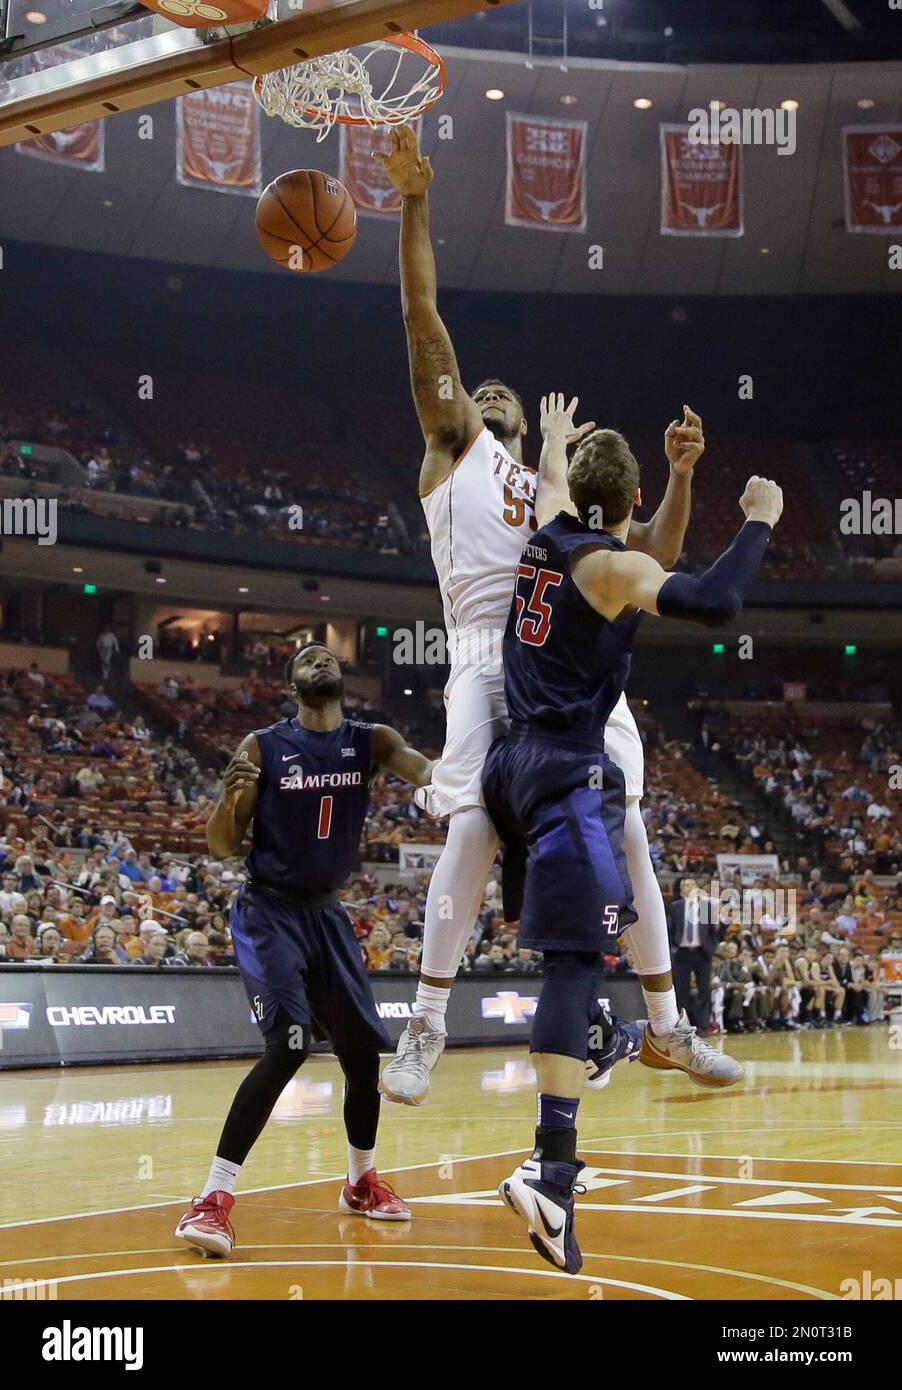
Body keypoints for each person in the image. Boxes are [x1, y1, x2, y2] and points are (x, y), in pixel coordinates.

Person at [375, 125, 739, 1106]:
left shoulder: (561, 502)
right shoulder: (452, 445)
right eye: (478, 387)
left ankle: (666, 1028)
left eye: (501, 390)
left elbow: (648, 562)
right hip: (487, 657)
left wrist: (675, 475)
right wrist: (414, 200)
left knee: (629, 832)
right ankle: (421, 1021)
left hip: (566, 660)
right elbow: (421, 317)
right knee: (470, 831)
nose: (485, 389)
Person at [480, 437, 782, 1272]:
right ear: (623, 510)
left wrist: (552, 446)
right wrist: (757, 521)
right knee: (574, 963)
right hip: (567, 770)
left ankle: (610, 1038)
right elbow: (715, 601)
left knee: (596, 936)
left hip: (511, 765)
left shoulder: (546, 537)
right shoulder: (609, 569)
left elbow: (552, 494)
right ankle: (551, 1167)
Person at [174, 644, 437, 1257]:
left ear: (342, 677)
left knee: (362, 1056)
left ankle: (360, 1184)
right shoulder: (261, 747)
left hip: (327, 912)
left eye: (326, 654)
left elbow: (428, 773)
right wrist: (225, 800)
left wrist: (484, 763)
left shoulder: (371, 741)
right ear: (292, 683)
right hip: (269, 910)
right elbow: (219, 847)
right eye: (306, 657)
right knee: (289, 1043)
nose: (318, 658)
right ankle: (212, 1200)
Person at [669, 877, 720, 1033]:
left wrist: (711, 948)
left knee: (703, 990)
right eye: (685, 885)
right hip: (682, 953)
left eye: (691, 884)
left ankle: (703, 1025)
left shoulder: (706, 907)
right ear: (681, 890)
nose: (688, 887)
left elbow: (713, 931)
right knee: (681, 990)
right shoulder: (675, 906)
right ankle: (684, 1025)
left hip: (701, 952)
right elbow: (671, 930)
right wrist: (673, 948)